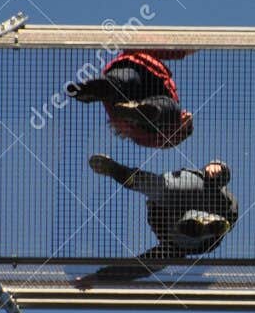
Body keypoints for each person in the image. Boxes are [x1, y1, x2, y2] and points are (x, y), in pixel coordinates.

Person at [75, 155, 238, 287]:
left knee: (163, 189)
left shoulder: (171, 247)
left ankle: (125, 174)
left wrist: (99, 277)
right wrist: (99, 278)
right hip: (190, 208)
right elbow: (140, 267)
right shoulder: (172, 250)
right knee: (168, 196)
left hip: (203, 199)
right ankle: (202, 224)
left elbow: (140, 268)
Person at [69, 48, 194, 148]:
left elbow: (165, 141)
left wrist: (181, 128)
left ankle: (138, 106)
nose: (187, 116)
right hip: (143, 74)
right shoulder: (140, 49)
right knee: (125, 79)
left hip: (140, 86)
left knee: (168, 108)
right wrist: (192, 45)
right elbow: (175, 50)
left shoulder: (158, 133)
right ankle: (98, 88)